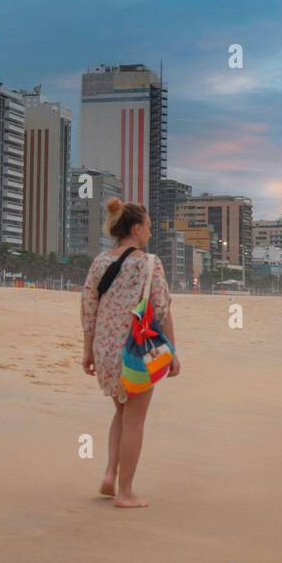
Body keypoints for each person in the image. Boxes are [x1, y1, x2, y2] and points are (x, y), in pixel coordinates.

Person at [80, 198, 179, 509]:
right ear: (136, 229)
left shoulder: (99, 262)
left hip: (105, 349)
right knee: (135, 420)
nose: (149, 233)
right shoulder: (149, 263)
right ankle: (125, 492)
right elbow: (162, 311)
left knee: (121, 413)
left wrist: (88, 351)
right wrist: (173, 352)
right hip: (136, 351)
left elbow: (88, 308)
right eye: (147, 227)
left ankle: (110, 473)